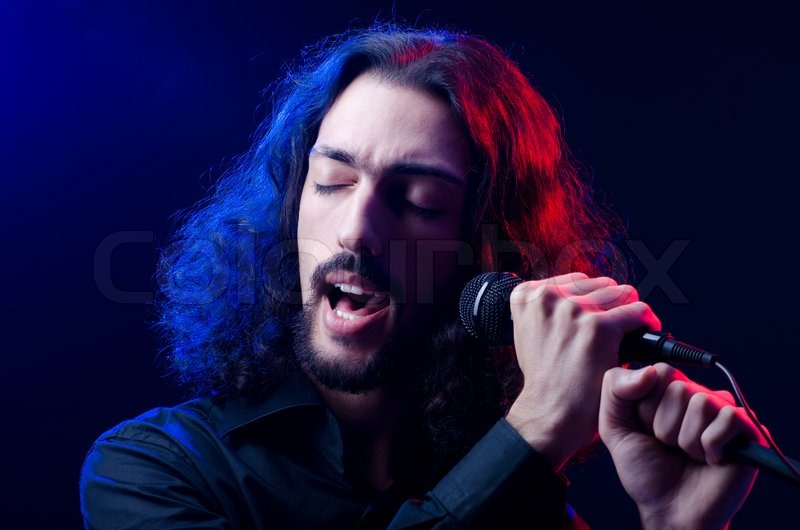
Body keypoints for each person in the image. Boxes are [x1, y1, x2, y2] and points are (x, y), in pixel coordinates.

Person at [80, 23, 767, 529]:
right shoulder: (155, 471)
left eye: (418, 202)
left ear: (488, 262)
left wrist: (677, 529)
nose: (355, 230)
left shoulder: (524, 508)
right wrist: (535, 427)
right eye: (331, 182)